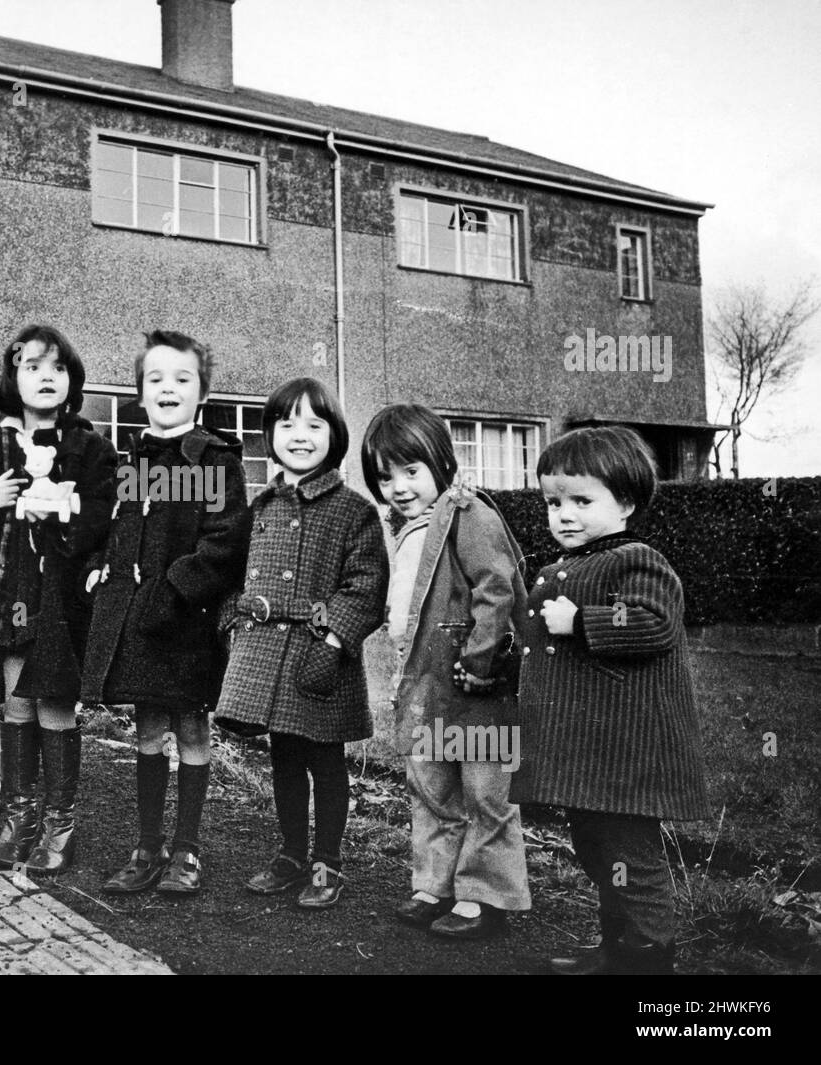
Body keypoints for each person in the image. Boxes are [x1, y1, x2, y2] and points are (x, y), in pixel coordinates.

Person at [514, 425, 709, 975]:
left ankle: (650, 956)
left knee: (630, 855)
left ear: (625, 502)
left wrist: (582, 621)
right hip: (586, 753)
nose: (564, 514)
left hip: (627, 753)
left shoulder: (636, 560)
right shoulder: (559, 570)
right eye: (554, 502)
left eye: (581, 500)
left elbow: (655, 624)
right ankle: (616, 947)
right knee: (599, 851)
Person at [81, 331, 249, 896]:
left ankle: (188, 850)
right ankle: (147, 846)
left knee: (191, 727)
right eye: (156, 379)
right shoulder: (138, 456)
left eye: (181, 379)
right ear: (140, 392)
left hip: (186, 619)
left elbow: (225, 540)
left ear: (201, 391)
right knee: (148, 726)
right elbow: (126, 525)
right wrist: (106, 566)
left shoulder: (214, 458)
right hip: (139, 619)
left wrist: (174, 589)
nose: (168, 389)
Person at [0, 325, 117, 874]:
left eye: (58, 368)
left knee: (55, 701)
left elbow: (102, 516)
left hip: (60, 596)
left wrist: (62, 512)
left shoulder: (90, 446)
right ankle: (20, 815)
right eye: (33, 367)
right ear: (12, 380)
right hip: (8, 590)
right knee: (15, 701)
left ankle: (60, 822)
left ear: (73, 381)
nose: (46, 377)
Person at [214, 378, 387, 909]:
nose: (300, 435)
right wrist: (231, 624)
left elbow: (365, 585)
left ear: (334, 435)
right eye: (286, 424)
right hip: (266, 655)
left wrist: (334, 641)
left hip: (322, 655)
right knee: (283, 758)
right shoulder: (261, 505)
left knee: (326, 762)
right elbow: (233, 576)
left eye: (314, 425)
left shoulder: (353, 510)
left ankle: (327, 863)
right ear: (269, 436)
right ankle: (290, 854)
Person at [366, 403, 531, 939]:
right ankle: (435, 883)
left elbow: (497, 588)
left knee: (486, 793)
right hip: (426, 682)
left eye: (411, 471)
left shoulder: (468, 514)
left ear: (441, 462)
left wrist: (481, 660)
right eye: (385, 476)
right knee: (432, 785)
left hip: (474, 684)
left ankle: (486, 896)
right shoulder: (409, 528)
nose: (398, 486)